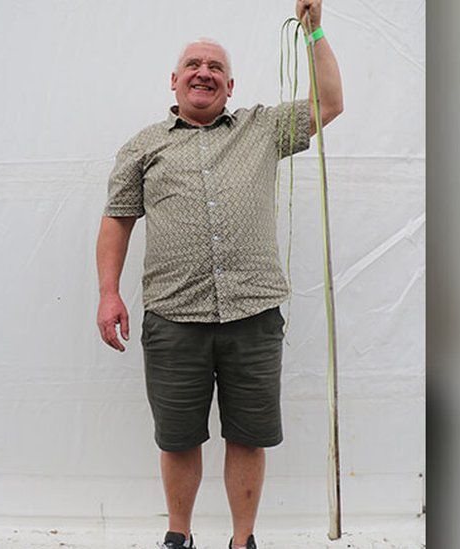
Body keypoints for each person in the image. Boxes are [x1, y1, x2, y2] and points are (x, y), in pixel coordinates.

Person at [95, 1, 343, 548]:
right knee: (178, 438)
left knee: (248, 436)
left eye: (215, 67)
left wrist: (314, 30)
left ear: (230, 86)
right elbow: (117, 221)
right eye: (193, 65)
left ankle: (242, 541)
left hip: (253, 316)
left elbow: (329, 103)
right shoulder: (143, 145)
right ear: (175, 81)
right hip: (172, 318)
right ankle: (179, 537)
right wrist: (109, 293)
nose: (203, 72)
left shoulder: (263, 127)